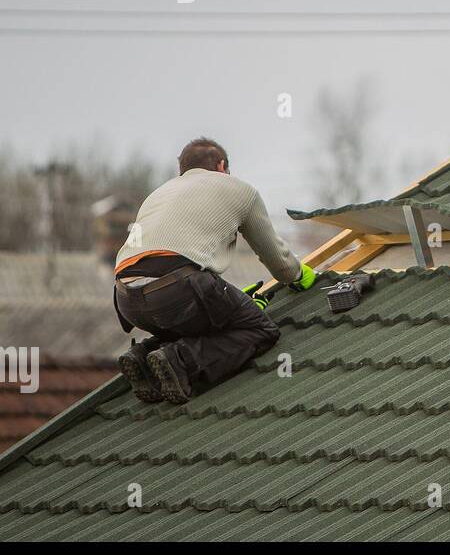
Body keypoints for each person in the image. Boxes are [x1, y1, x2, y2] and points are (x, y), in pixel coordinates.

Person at [112, 137, 316, 404]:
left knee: (189, 323)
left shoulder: (158, 195)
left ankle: (143, 356)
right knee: (261, 330)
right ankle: (180, 361)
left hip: (127, 299)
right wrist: (298, 275)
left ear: (181, 171)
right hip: (177, 290)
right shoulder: (240, 190)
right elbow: (278, 262)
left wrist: (236, 303)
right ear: (222, 166)